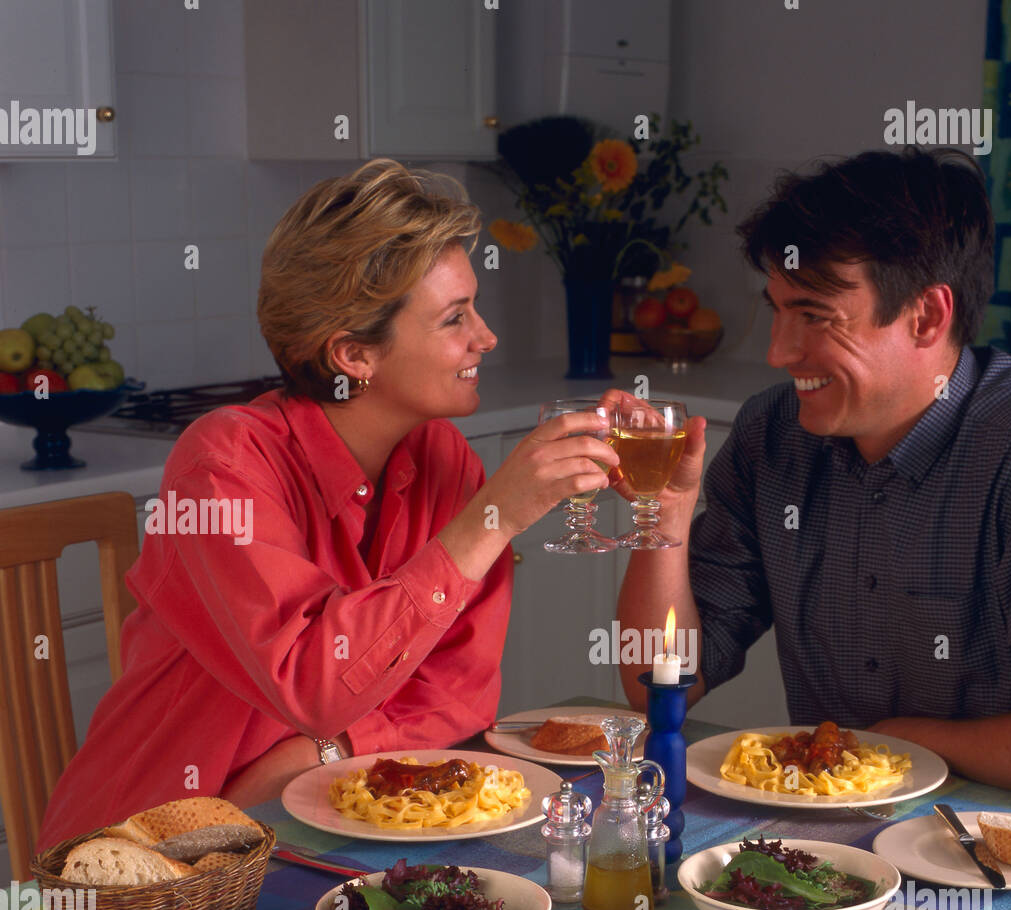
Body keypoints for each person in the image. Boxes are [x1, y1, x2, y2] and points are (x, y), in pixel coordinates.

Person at [38, 159, 613, 849]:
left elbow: (459, 694)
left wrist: (313, 758)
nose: (484, 338)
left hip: (326, 821)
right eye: (455, 318)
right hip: (152, 857)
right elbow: (315, 690)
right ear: (353, 355)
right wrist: (494, 517)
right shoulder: (223, 465)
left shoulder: (443, 457)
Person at [615, 148, 1011, 808]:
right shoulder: (773, 434)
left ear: (927, 316)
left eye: (815, 315)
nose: (777, 352)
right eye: (777, 309)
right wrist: (664, 521)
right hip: (827, 849)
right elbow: (660, 680)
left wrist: (893, 739)